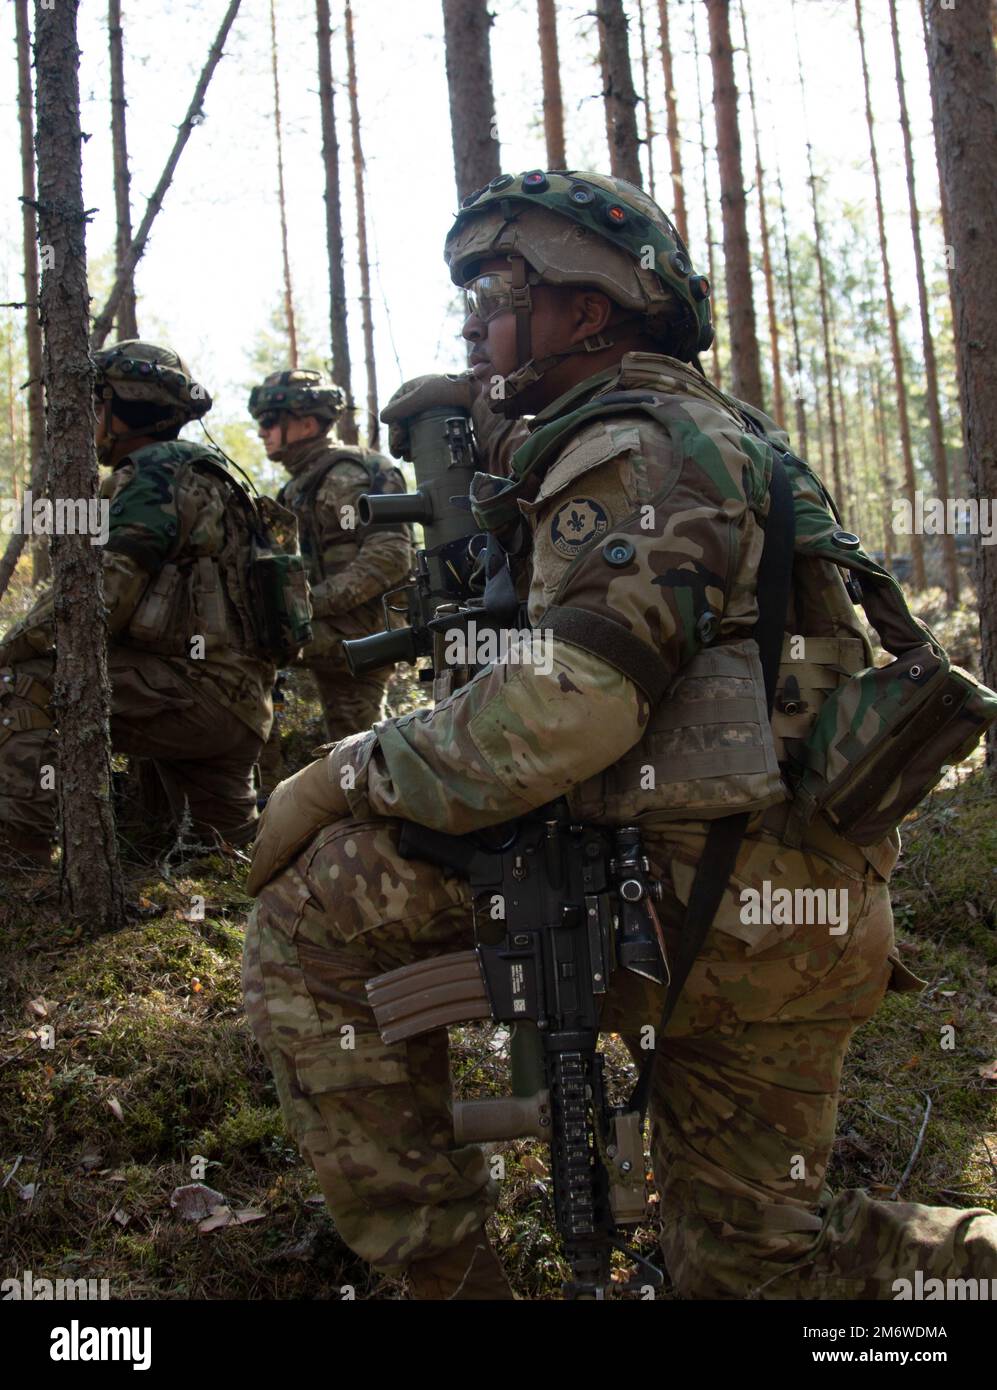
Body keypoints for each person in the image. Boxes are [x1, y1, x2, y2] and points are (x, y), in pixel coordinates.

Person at [242, 172, 997, 1299]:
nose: (472, 316)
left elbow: (572, 702)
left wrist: (350, 768)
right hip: (798, 908)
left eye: (497, 286)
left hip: (697, 898)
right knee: (752, 1261)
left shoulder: (632, 443)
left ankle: (446, 1282)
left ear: (585, 310)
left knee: (308, 914)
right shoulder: (713, 430)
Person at [0, 340, 273, 858]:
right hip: (237, 707)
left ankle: (19, 872)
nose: (87, 419)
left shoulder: (152, 476)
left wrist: (10, 646)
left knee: (23, 683)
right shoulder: (214, 472)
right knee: (229, 863)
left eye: (94, 404)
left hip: (189, 695)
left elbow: (100, 600)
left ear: (123, 408)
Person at [247, 370, 412, 796]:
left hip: (365, 635)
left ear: (306, 421)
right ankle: (275, 802)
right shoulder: (291, 490)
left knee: (361, 752)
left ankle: (260, 803)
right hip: (327, 630)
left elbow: (391, 556)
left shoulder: (360, 470)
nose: (262, 431)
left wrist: (308, 604)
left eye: (270, 420)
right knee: (354, 753)